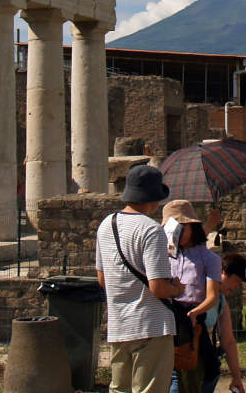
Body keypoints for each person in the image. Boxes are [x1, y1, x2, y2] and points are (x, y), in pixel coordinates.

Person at [96, 165, 185, 393]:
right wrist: (176, 289)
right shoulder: (151, 230)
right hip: (151, 325)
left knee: (120, 389)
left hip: (119, 325)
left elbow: (103, 279)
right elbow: (158, 287)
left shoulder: (106, 225)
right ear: (153, 199)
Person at [164, 199, 223, 393]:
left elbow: (212, 296)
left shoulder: (209, 258)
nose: (176, 234)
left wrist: (195, 313)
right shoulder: (167, 254)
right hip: (168, 317)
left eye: (181, 228)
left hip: (192, 320)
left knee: (205, 370)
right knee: (175, 373)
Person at [204, 254, 246, 393]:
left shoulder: (221, 301)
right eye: (236, 281)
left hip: (205, 369)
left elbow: (228, 340)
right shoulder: (197, 290)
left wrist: (236, 377)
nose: (236, 287)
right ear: (223, 273)